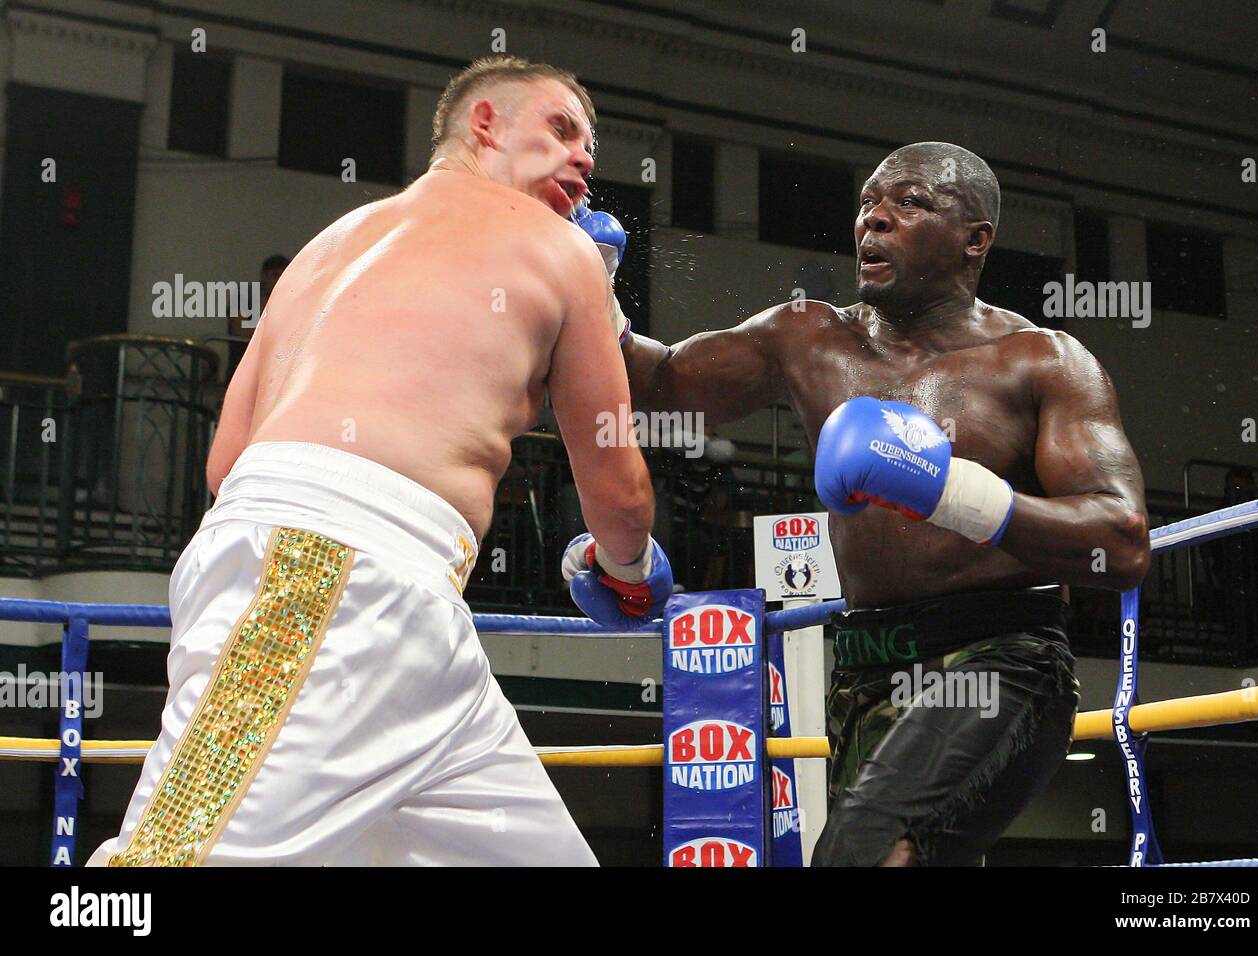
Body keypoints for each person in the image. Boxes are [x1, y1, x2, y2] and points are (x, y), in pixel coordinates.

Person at [90, 55, 670, 867]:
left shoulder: (326, 247)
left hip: (397, 605)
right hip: (328, 574)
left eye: (593, 148)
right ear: (485, 124)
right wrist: (631, 567)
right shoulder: (562, 249)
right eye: (563, 128)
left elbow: (227, 462)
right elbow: (617, 484)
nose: (583, 158)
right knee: (167, 866)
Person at [615, 142, 1152, 865]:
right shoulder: (807, 337)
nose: (875, 219)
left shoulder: (1043, 360)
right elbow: (657, 388)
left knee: (865, 853)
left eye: (910, 203)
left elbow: (1121, 543)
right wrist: (591, 289)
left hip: (1001, 657)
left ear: (975, 239)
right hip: (862, 668)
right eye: (868, 203)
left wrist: (949, 492)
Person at [224, 254, 288, 385]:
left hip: (275, 372)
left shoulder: (288, 302)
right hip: (243, 368)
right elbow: (240, 332)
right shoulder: (244, 297)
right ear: (264, 276)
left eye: (284, 276)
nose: (279, 280)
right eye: (276, 275)